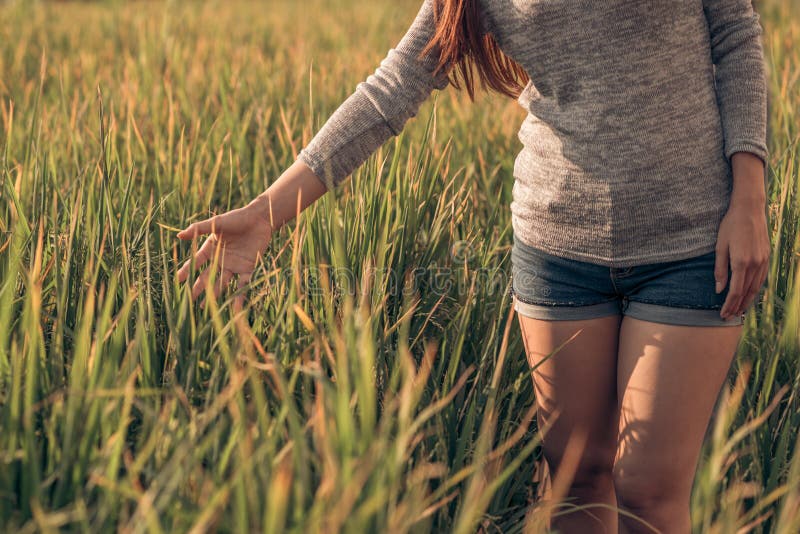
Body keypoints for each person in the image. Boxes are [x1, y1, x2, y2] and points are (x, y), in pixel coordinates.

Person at [176, 0, 770, 532]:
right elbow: (393, 87)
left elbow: (735, 35)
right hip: (557, 247)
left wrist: (750, 197)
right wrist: (265, 215)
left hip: (689, 240)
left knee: (647, 491)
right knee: (576, 481)